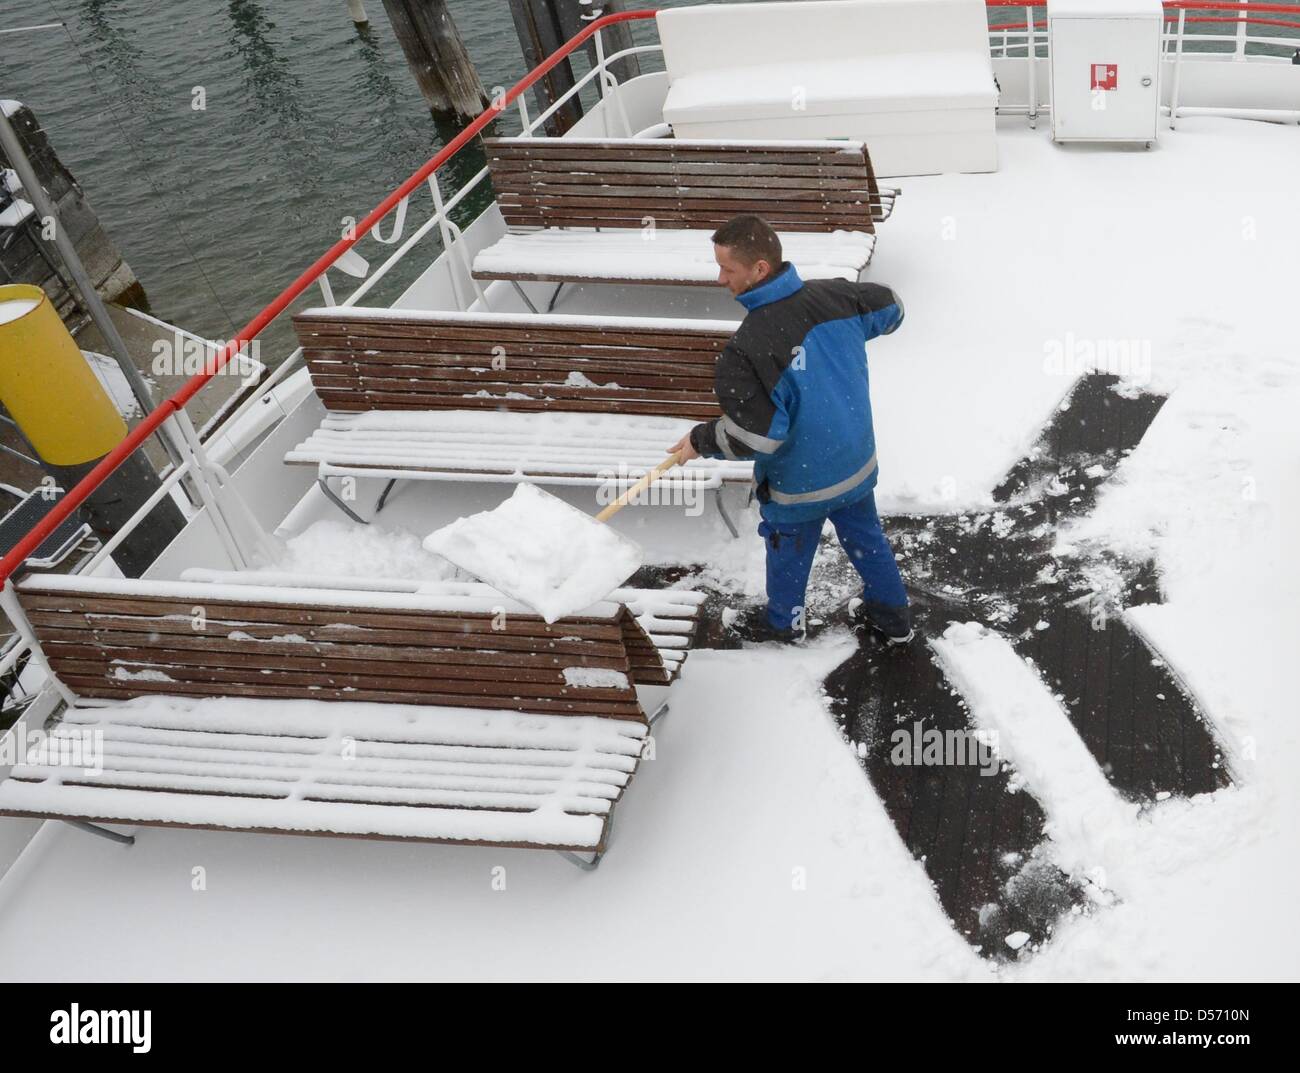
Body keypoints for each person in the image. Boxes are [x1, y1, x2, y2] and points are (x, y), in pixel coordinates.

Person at [668, 213, 912, 644]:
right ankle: (893, 619)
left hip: (800, 482)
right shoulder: (835, 296)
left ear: (760, 269)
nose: (720, 278)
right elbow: (891, 307)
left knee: (788, 554)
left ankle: (785, 624)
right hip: (854, 461)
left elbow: (758, 437)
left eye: (728, 268)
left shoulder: (745, 351)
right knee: (867, 539)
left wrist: (700, 440)